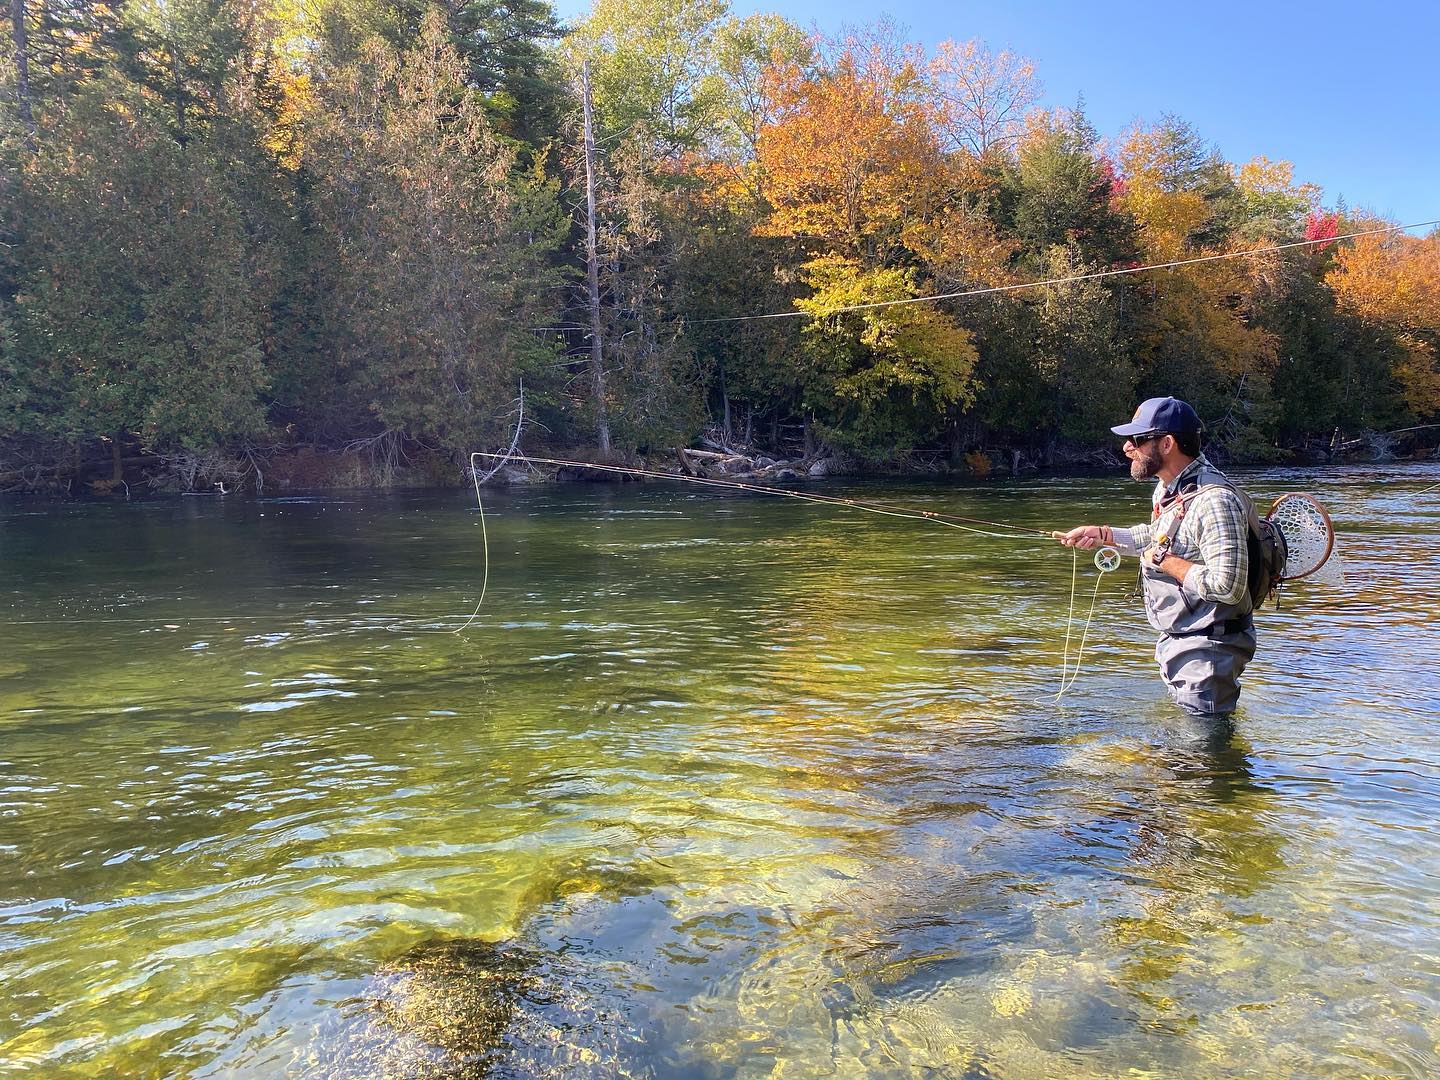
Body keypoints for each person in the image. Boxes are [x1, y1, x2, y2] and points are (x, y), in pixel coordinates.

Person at [1055, 397, 1257, 717]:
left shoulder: (1214, 502)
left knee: (1202, 746)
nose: (1126, 448)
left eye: (1136, 439)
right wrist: (1105, 535)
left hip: (1208, 652)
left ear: (1166, 444)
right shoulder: (1171, 489)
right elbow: (1160, 538)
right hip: (1185, 643)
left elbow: (1228, 586)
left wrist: (1165, 561)